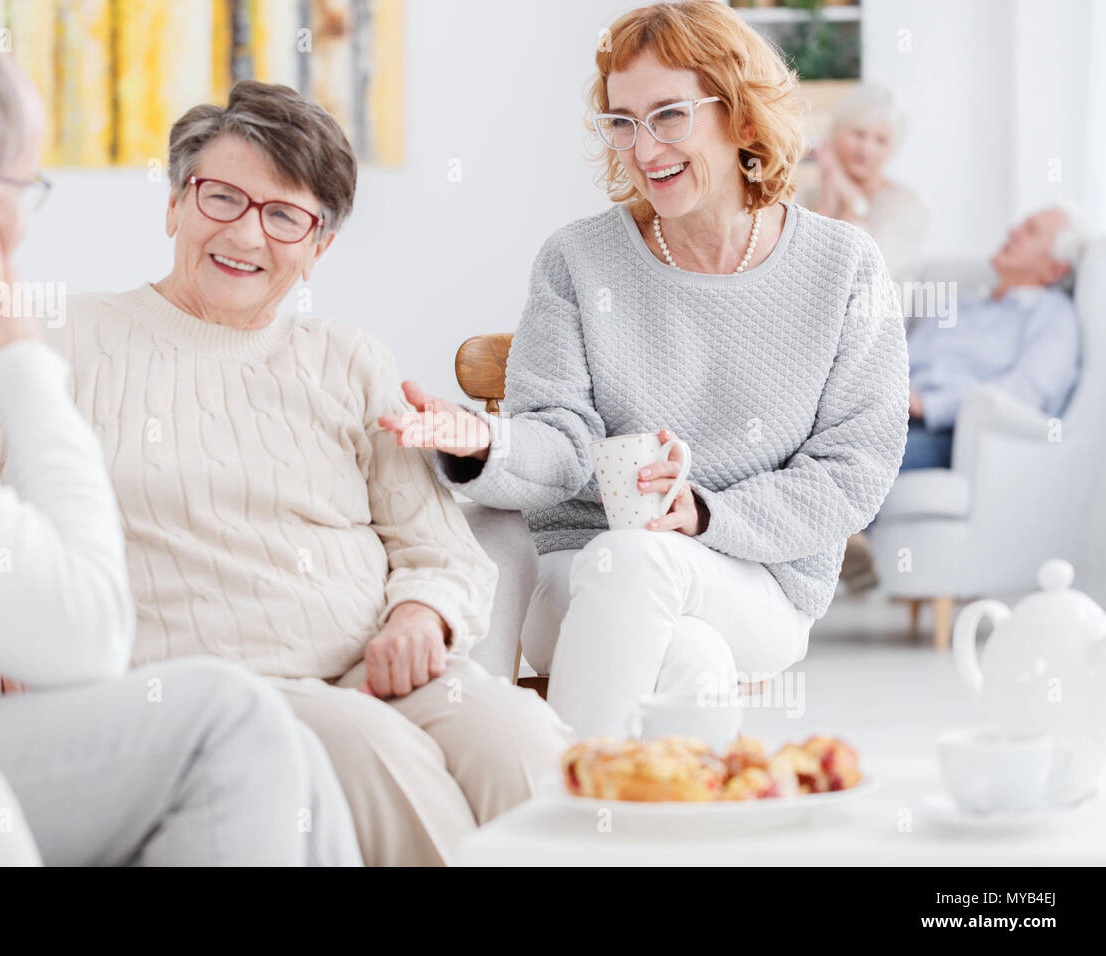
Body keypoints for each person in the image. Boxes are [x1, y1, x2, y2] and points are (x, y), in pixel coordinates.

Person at [0, 79, 573, 867]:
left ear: (319, 246)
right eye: (222, 199)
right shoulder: (60, 339)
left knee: (521, 740)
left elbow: (440, 551)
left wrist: (422, 617)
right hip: (213, 696)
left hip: (375, 667)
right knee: (378, 753)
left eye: (284, 216)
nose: (248, 233)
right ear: (174, 204)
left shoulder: (349, 359)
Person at [0, 15, 359, 867]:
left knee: (288, 760)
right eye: (25, 192)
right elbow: (88, 627)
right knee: (234, 722)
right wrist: (24, 365)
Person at [379, 1, 909, 737]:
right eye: (622, 122)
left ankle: (550, 814)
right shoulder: (578, 259)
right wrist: (486, 443)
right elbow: (560, 439)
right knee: (689, 657)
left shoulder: (844, 268)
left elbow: (855, 468)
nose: (642, 146)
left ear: (742, 117)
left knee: (642, 564)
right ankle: (623, 823)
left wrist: (704, 512)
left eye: (668, 115)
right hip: (578, 571)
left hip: (761, 581)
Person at [902, 205, 1088, 469]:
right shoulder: (961, 303)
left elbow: (1026, 394)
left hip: (951, 432)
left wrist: (927, 405)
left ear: (1054, 270)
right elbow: (902, 359)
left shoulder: (1055, 316)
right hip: (892, 412)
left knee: (846, 460)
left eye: (1030, 231)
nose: (1013, 231)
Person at [799, 83, 929, 286]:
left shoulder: (906, 205)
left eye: (880, 140)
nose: (866, 148)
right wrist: (827, 203)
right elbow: (797, 270)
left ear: (892, 149)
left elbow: (867, 277)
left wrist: (851, 198)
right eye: (858, 134)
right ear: (835, 135)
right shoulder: (807, 196)